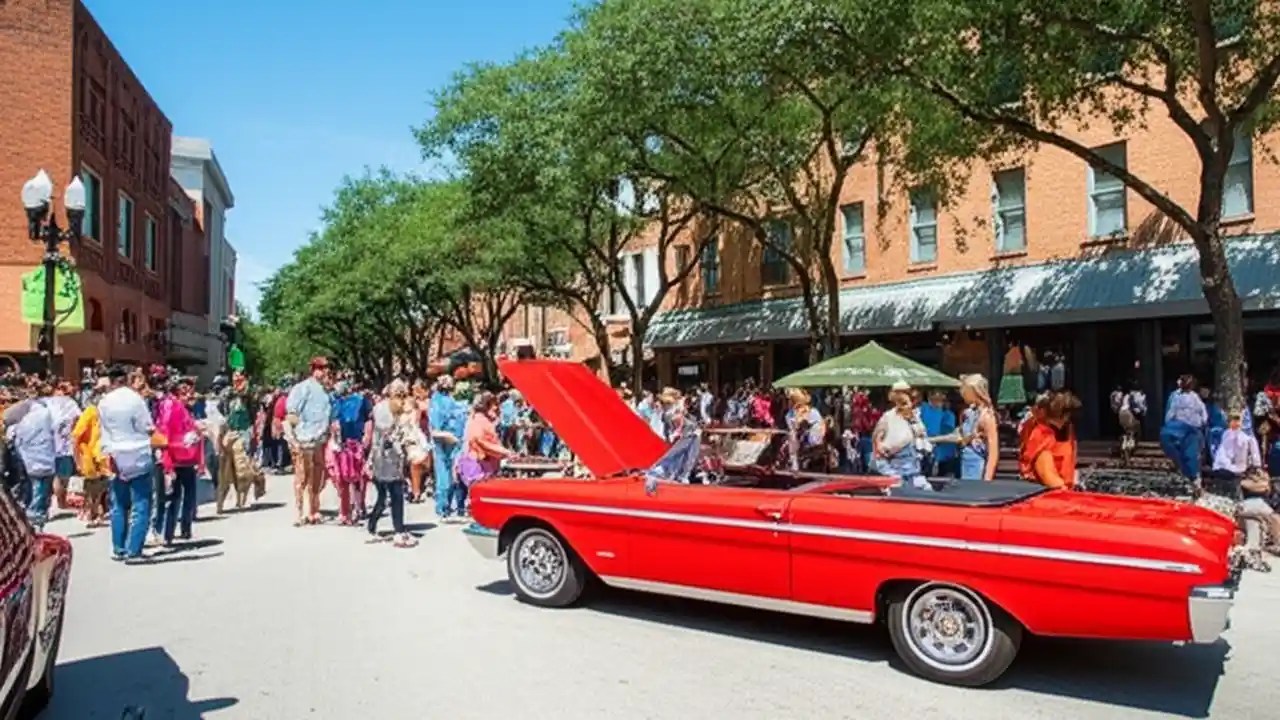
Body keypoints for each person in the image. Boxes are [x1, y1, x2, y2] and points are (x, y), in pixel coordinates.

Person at [98, 366, 157, 563]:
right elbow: (147, 426)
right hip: (138, 453)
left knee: (119, 503)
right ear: (125, 379)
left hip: (116, 454)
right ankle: (134, 550)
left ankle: (118, 547)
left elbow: (104, 430)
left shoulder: (104, 403)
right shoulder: (135, 399)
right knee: (141, 502)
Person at [366, 380, 417, 547]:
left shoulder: (400, 410)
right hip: (382, 458)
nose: (401, 399)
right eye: (398, 395)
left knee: (397, 494)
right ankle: (372, 526)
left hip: (395, 459)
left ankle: (399, 530)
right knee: (383, 496)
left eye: (403, 395)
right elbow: (386, 431)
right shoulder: (380, 409)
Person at [285, 357, 334, 526]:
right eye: (322, 368)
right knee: (302, 475)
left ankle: (313, 508)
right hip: (304, 438)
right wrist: (295, 436)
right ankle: (299, 512)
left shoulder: (326, 391)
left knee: (319, 474)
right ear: (314, 369)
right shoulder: (302, 388)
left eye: (326, 368)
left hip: (320, 439)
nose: (325, 371)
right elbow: (292, 413)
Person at [4, 384, 58, 531]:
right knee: (40, 488)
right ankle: (35, 517)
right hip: (43, 458)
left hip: (28, 458)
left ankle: (30, 515)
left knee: (32, 486)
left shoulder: (24, 417)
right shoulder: (45, 412)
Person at [156, 378, 202, 545]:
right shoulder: (171, 406)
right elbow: (165, 435)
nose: (189, 393)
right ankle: (167, 533)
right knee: (172, 498)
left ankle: (184, 529)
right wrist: (168, 463)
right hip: (175, 458)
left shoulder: (184, 408)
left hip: (186, 457)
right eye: (184, 390)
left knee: (187, 495)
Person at [216, 371, 264, 512]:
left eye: (240, 378)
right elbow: (221, 408)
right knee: (224, 469)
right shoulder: (227, 394)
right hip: (229, 432)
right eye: (235, 378)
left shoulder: (250, 394)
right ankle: (220, 502)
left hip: (244, 433)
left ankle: (241, 499)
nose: (238, 381)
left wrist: (245, 391)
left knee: (242, 468)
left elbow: (254, 404)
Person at [457, 392, 515, 503]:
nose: (496, 408)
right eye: (493, 405)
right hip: (477, 465)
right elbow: (480, 441)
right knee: (480, 499)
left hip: (486, 464)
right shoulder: (478, 420)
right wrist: (504, 452)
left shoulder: (485, 420)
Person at [330, 379, 372, 525]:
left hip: (358, 442)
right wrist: (335, 440)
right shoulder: (337, 403)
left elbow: (368, 419)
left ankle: (359, 506)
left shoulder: (361, 400)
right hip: (343, 445)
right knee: (344, 477)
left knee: (359, 476)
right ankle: (347, 509)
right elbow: (334, 423)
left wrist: (367, 436)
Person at [71, 378, 113, 528]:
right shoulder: (91, 411)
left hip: (104, 454)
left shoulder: (109, 411)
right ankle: (92, 513)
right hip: (91, 455)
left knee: (101, 488)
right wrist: (78, 459)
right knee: (93, 488)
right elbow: (76, 435)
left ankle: (97, 513)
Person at [1019, 391, 1081, 489]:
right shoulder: (1041, 434)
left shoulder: (1068, 430)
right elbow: (1046, 474)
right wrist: (1064, 489)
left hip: (1065, 490)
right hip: (1046, 493)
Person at [428, 375, 467, 522]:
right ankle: (443, 507)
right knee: (444, 476)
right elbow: (435, 430)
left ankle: (458, 506)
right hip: (445, 444)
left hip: (457, 443)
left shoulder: (452, 400)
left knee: (457, 474)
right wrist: (451, 437)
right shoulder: (436, 402)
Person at [873, 386, 925, 487]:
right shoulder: (888, 417)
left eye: (905, 403)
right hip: (893, 467)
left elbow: (921, 436)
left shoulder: (915, 418)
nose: (903, 407)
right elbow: (877, 441)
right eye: (899, 402)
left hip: (913, 469)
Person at [1160, 375, 1208, 484]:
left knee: (1191, 455)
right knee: (1184, 454)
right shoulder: (1176, 396)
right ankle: (1187, 474)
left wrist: (1202, 423)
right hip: (1180, 429)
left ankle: (1194, 478)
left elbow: (1202, 411)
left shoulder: (1194, 397)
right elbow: (1171, 412)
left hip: (1191, 430)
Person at [47, 380, 81, 511]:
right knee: (63, 477)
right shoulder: (70, 403)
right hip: (65, 444)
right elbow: (78, 419)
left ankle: (55, 501)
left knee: (54, 475)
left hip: (50, 444)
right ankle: (61, 502)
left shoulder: (48, 402)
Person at [958, 374, 999, 481]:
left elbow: (993, 451)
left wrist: (987, 478)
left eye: (965, 391)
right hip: (965, 462)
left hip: (977, 466)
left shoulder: (987, 416)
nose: (962, 394)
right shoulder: (968, 413)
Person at [919, 390, 958, 477]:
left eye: (942, 398)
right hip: (927, 453)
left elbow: (950, 434)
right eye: (936, 398)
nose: (939, 401)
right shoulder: (922, 409)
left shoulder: (949, 415)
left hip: (945, 455)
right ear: (929, 397)